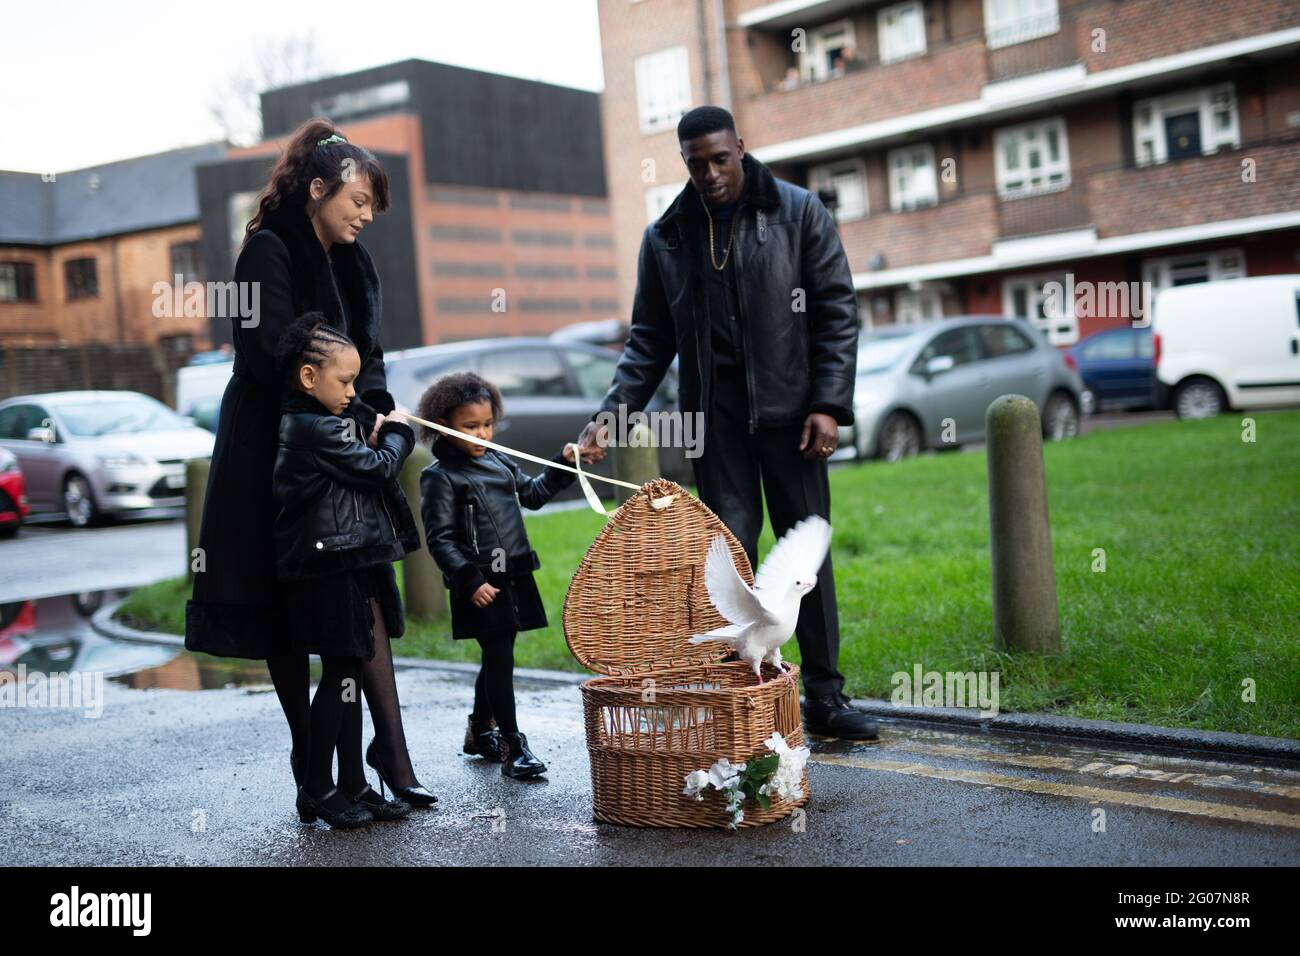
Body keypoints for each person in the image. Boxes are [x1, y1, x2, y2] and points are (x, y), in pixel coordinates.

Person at [576, 105, 879, 740]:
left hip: (793, 418)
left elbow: (835, 312)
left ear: (740, 147)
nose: (711, 173)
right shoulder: (667, 236)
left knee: (805, 563)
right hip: (714, 426)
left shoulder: (797, 213)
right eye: (697, 163)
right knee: (726, 565)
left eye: (720, 158)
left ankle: (824, 696)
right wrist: (610, 416)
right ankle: (736, 696)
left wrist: (828, 403)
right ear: (684, 163)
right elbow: (648, 343)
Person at [185, 118, 437, 806]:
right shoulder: (266, 251)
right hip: (271, 451)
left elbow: (370, 356)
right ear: (317, 189)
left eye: (372, 208)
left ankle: (390, 755)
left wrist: (375, 406)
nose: (365, 217)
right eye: (358, 202)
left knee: (361, 600)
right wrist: (354, 419)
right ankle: (315, 769)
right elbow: (271, 356)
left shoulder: (357, 264)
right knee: (283, 609)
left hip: (343, 441)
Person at [271, 313, 421, 828]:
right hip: (324, 565)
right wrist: (399, 433)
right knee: (339, 672)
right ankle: (316, 786)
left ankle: (354, 782)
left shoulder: (325, 420)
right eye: (345, 381)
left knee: (350, 670)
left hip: (347, 557)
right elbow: (377, 467)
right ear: (309, 378)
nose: (353, 390)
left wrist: (366, 416)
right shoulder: (311, 427)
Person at [415, 372, 590, 779]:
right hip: (479, 582)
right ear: (443, 423)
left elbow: (533, 494)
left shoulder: (498, 459)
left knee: (498, 656)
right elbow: (440, 540)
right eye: (470, 426)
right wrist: (468, 581)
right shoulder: (439, 477)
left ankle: (479, 729)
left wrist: (565, 463)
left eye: (488, 424)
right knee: (499, 657)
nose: (482, 434)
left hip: (513, 574)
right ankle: (513, 744)